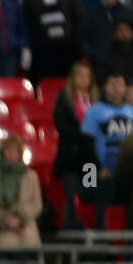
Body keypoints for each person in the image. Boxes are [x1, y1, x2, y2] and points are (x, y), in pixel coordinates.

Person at [81, 71, 133, 208]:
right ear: (106, 86)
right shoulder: (94, 111)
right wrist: (97, 169)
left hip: (127, 173)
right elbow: (86, 145)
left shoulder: (132, 112)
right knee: (101, 204)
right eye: (113, 84)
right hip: (103, 172)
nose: (117, 88)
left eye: (120, 84)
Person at [54, 60, 101, 227]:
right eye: (79, 75)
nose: (83, 79)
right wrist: (87, 137)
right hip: (71, 161)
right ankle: (70, 240)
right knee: (71, 199)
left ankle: (91, 238)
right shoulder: (63, 100)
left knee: (90, 197)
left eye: (87, 76)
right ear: (72, 78)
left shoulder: (97, 101)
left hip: (90, 161)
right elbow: (63, 127)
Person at [0, 134, 44, 245]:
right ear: (2, 152)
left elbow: (36, 204)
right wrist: (5, 219)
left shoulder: (31, 176)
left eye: (15, 150)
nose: (12, 154)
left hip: (25, 235)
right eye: (8, 150)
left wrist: (21, 218)